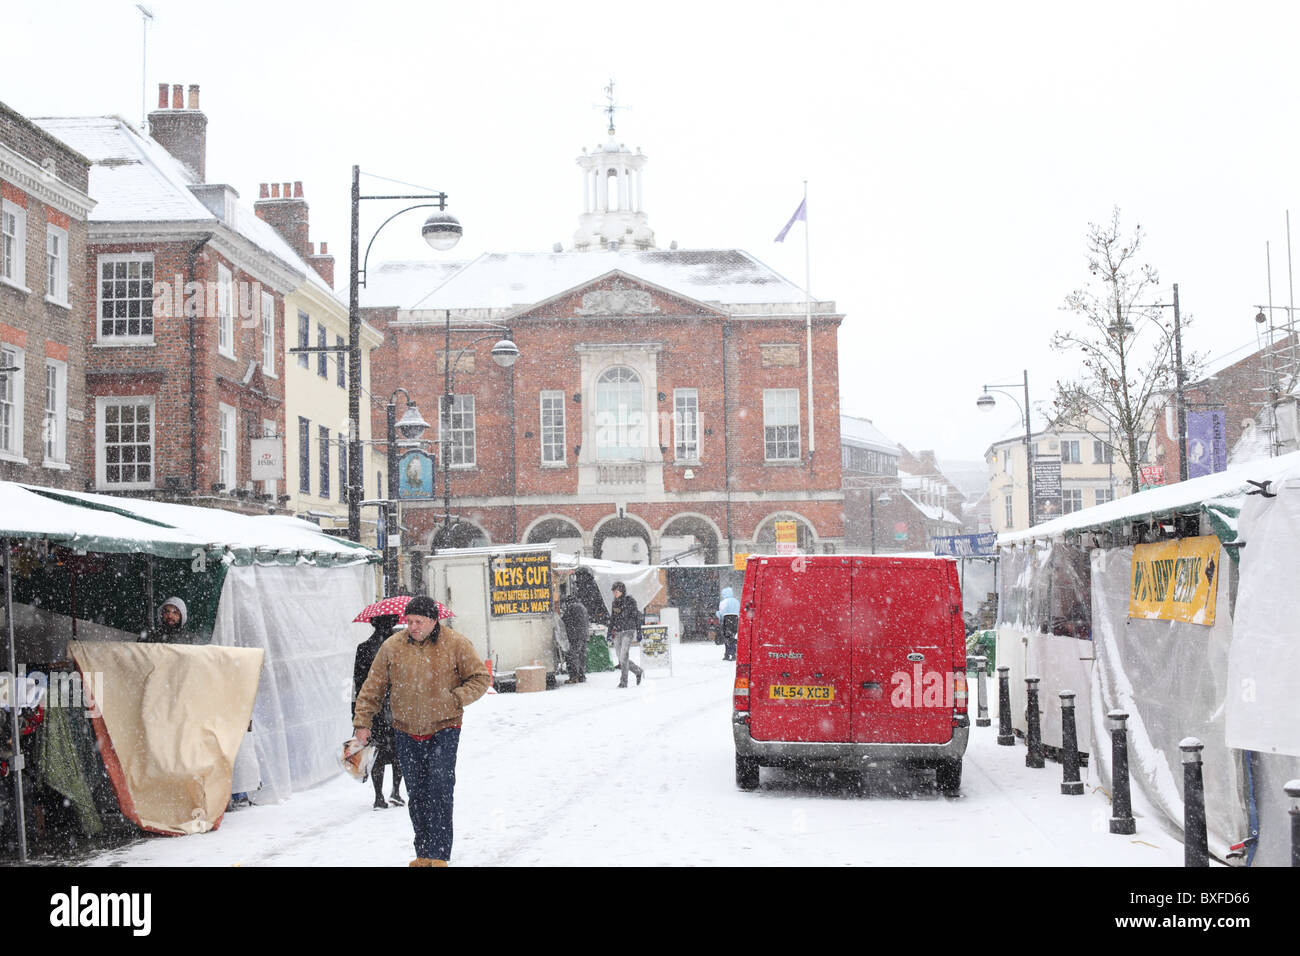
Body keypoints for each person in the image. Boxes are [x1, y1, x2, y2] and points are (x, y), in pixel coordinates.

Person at [353, 595, 490, 867]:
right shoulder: (393, 647)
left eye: (419, 621)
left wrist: (455, 699)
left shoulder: (455, 643)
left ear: (433, 620)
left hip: (444, 727)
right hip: (405, 729)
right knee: (417, 793)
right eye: (409, 621)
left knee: (439, 788)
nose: (413, 627)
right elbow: (373, 686)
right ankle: (423, 852)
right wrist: (362, 722)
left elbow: (480, 678)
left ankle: (439, 855)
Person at [353, 614, 404, 810]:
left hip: (374, 709)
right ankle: (396, 791)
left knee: (377, 753)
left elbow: (358, 684)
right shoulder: (397, 646)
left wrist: (358, 715)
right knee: (399, 751)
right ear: (392, 624)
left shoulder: (364, 648)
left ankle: (378, 796)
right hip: (397, 707)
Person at [608, 581, 643, 688]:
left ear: (622, 591)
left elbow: (636, 616)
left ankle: (623, 682)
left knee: (623, 655)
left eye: (616, 591)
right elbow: (612, 619)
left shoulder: (630, 601)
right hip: (618, 632)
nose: (615, 593)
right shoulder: (614, 603)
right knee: (621, 658)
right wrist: (609, 632)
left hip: (628, 630)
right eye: (613, 591)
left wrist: (639, 631)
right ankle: (638, 671)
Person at [557, 582, 590, 685]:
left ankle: (573, 676)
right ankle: (581, 676)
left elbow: (565, 620)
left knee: (571, 656)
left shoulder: (572, 607)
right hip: (583, 635)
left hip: (575, 636)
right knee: (581, 656)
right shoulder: (582, 607)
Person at [716, 586, 740, 661]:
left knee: (727, 638)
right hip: (736, 620)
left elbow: (721, 613)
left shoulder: (723, 602)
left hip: (727, 621)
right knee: (733, 637)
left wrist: (718, 614)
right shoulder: (737, 601)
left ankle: (727, 654)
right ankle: (734, 654)